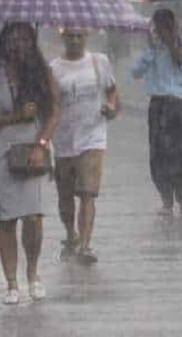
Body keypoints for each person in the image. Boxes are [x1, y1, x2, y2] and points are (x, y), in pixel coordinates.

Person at [0, 22, 60, 305]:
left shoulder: (43, 73)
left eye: (25, 40)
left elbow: (53, 113)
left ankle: (33, 274)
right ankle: (11, 284)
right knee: (6, 221)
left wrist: (41, 144)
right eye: (13, 41)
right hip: (3, 153)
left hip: (34, 150)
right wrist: (15, 116)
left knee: (34, 218)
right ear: (4, 43)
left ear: (32, 43)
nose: (18, 46)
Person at [49, 28, 119, 265]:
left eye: (80, 35)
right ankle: (71, 235)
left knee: (88, 193)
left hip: (94, 136)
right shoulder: (53, 69)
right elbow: (47, 104)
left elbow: (112, 92)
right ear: (63, 37)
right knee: (66, 195)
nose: (76, 40)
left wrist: (111, 107)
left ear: (87, 36)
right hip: (64, 140)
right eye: (71, 36)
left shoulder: (100, 62)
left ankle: (86, 245)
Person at [132, 8, 182, 216]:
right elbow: (135, 72)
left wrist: (180, 57)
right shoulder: (153, 50)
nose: (164, 32)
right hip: (160, 105)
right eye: (159, 28)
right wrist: (151, 51)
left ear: (174, 27)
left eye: (167, 27)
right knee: (160, 154)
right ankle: (166, 198)